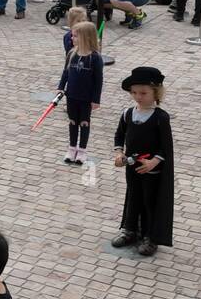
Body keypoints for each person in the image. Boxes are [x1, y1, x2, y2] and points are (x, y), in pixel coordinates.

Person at [111, 67, 174, 257]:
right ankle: (130, 229)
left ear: (156, 93)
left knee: (150, 201)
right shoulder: (128, 114)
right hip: (132, 167)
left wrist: (154, 162)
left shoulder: (160, 118)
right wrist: (119, 153)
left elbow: (165, 147)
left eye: (144, 93)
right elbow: (119, 134)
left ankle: (150, 236)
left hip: (151, 170)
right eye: (134, 93)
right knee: (133, 197)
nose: (138, 97)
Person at [57, 21, 104, 166]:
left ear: (85, 37)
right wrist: (60, 87)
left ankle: (82, 150)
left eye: (75, 36)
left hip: (86, 98)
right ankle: (72, 148)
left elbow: (98, 80)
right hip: (71, 95)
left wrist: (95, 100)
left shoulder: (95, 58)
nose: (72, 38)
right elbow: (66, 72)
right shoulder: (72, 54)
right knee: (72, 121)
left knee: (84, 122)